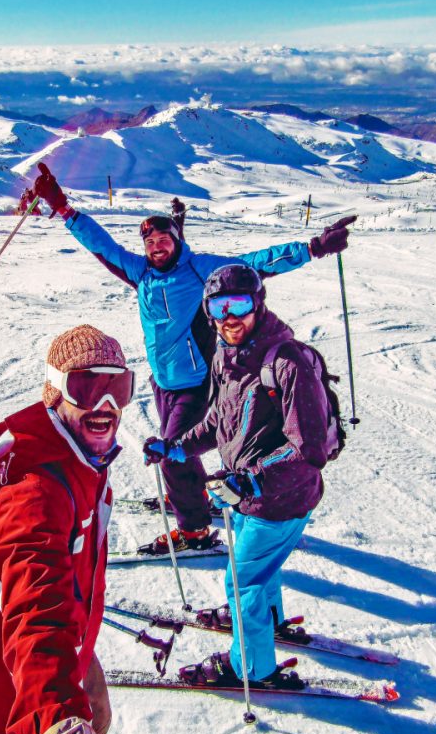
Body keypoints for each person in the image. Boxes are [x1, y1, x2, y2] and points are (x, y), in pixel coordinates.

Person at [29, 163, 349, 554]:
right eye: (150, 243)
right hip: (163, 381)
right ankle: (191, 495)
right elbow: (103, 246)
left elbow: (257, 262)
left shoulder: (200, 270)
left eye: (164, 239)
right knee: (178, 450)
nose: (157, 247)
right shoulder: (142, 274)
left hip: (197, 382)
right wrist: (64, 209)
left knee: (171, 453)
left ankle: (195, 529)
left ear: (177, 240)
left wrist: (312, 248)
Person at [0, 324, 166, 734]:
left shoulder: (81, 457)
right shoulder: (33, 492)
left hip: (66, 652)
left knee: (100, 718)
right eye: (87, 386)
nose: (106, 404)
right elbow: (35, 614)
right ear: (55, 390)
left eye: (120, 387)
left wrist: (83, 654)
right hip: (13, 691)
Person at [143, 264, 335, 689]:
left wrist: (253, 479)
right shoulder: (226, 356)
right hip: (247, 494)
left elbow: (311, 449)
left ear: (258, 303)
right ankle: (269, 620)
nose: (230, 316)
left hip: (280, 498)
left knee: (241, 579)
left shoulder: (288, 361)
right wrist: (176, 447)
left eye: (240, 304)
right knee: (258, 571)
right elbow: (219, 422)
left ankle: (253, 668)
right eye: (218, 306)